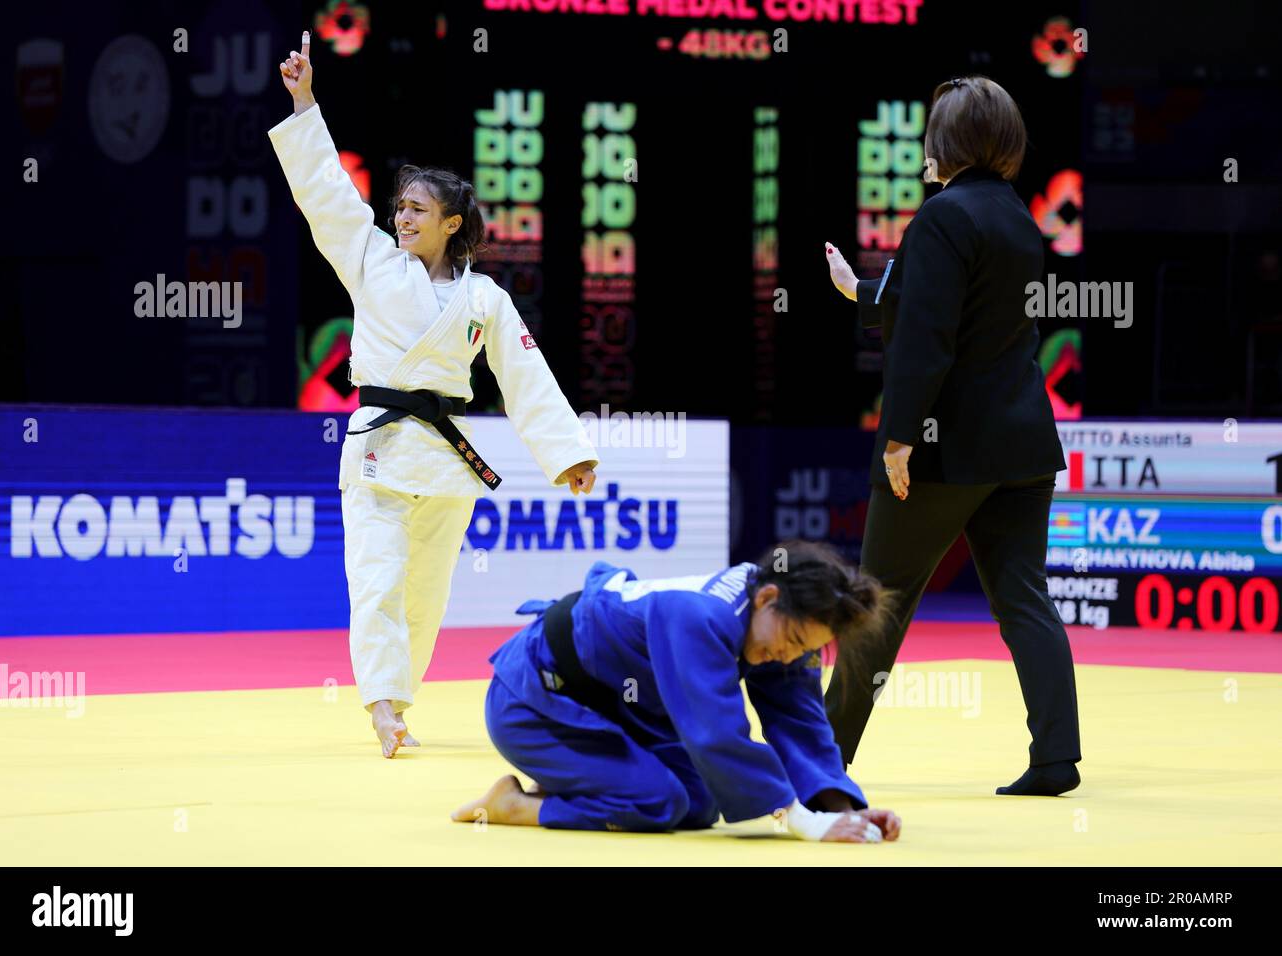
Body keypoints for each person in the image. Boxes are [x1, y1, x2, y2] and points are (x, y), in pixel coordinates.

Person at [272, 32, 599, 757]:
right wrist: (304, 105)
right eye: (402, 206)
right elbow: (324, 191)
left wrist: (567, 454)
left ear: (454, 223)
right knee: (378, 582)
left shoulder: (483, 297)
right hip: (382, 449)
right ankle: (383, 707)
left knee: (423, 599)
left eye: (421, 209)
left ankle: (400, 696)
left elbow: (525, 376)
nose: (405, 217)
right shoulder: (371, 260)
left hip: (444, 460)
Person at [823, 75, 1081, 796]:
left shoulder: (941, 217)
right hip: (1023, 444)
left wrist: (901, 436)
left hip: (944, 449)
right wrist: (863, 294)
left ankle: (821, 753)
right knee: (1025, 597)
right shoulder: (1019, 219)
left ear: (950, 142)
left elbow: (928, 341)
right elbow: (961, 316)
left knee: (875, 600)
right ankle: (1057, 757)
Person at [451, 541, 903, 843]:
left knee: (700, 803)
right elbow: (714, 734)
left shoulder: (781, 622)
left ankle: (580, 777)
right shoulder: (703, 616)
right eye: (792, 641)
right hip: (535, 703)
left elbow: (800, 720)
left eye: (804, 650)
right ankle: (513, 805)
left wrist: (840, 810)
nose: (788, 656)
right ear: (766, 598)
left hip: (612, 707)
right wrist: (806, 825)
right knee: (658, 801)